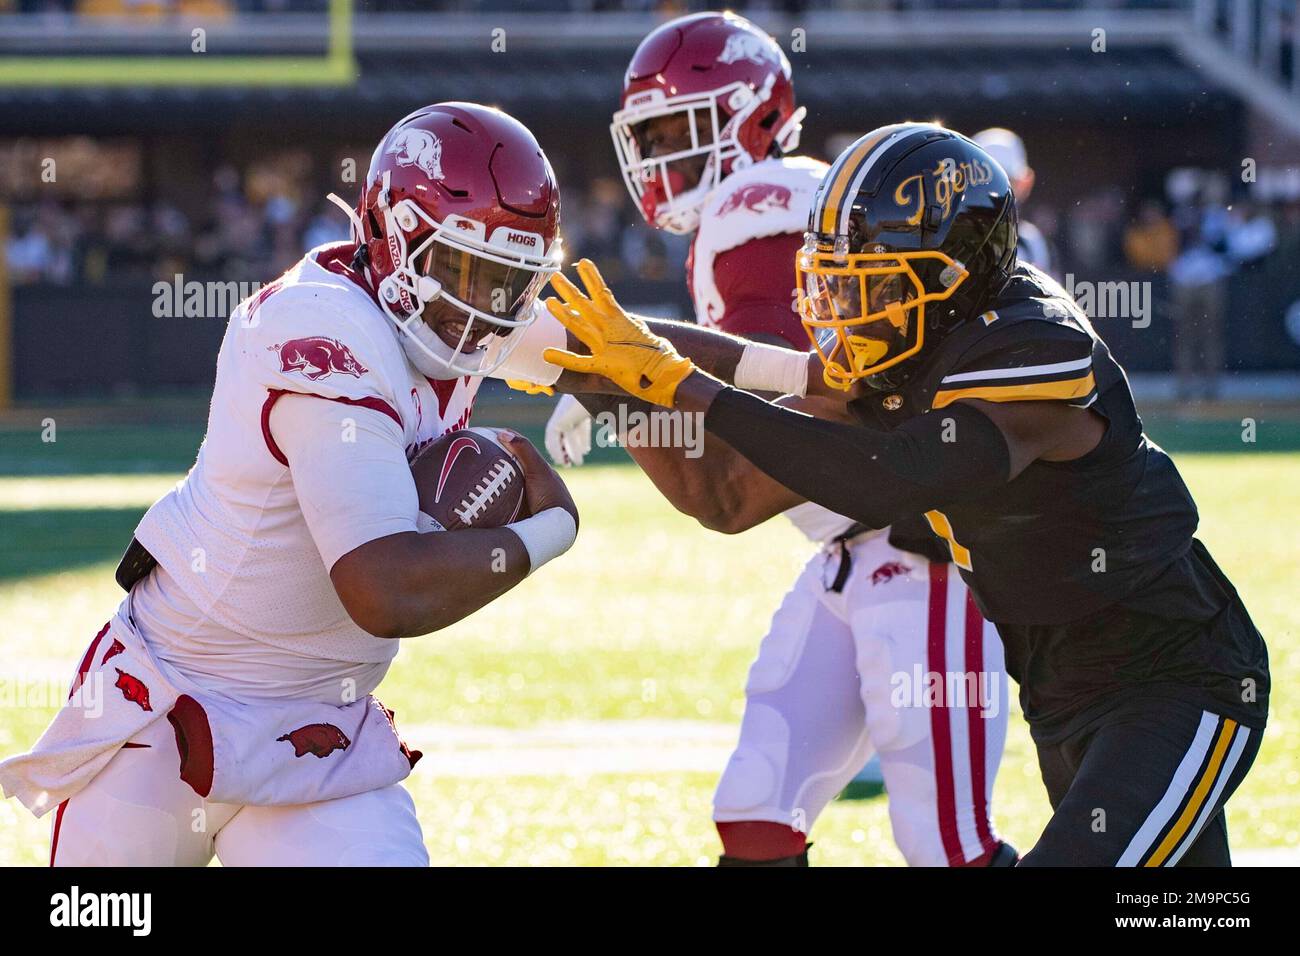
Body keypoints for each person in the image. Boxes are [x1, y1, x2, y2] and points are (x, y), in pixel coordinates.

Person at [539, 123, 1270, 866]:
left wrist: (677, 384)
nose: (841, 306)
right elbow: (727, 498)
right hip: (1062, 689)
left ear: (952, 274)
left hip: (1177, 679)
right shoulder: (913, 336)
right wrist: (606, 361)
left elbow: (887, 475)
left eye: (871, 281)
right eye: (834, 277)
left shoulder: (1032, 346)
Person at [0, 102, 579, 866]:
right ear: (395, 239)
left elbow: (632, 356)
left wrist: (784, 375)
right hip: (171, 704)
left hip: (316, 735)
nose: (485, 306)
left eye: (509, 282)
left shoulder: (461, 314)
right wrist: (553, 528)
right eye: (467, 270)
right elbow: (383, 590)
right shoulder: (323, 329)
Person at [547, 12, 1013, 868]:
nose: (660, 156)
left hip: (926, 547)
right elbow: (780, 385)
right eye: (645, 136)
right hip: (852, 553)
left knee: (945, 841)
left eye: (677, 129)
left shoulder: (755, 205)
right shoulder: (778, 204)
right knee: (758, 805)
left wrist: (617, 377)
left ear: (756, 117)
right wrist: (628, 373)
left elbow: (815, 404)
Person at [973, 127, 1053, 274]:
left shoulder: (1031, 241)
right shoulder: (951, 236)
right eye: (985, 181)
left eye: (1006, 181)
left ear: (1025, 183)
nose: (995, 193)